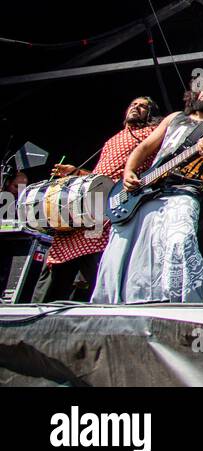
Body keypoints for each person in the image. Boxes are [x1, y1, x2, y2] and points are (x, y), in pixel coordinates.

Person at [92, 75, 203, 303]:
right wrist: (129, 172)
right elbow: (144, 148)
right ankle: (115, 301)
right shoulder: (175, 118)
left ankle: (178, 302)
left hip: (184, 192)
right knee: (125, 246)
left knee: (179, 241)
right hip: (146, 192)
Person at [33, 97, 158, 303]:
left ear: (151, 115)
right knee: (57, 267)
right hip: (85, 210)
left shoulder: (150, 135)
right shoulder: (113, 139)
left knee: (93, 272)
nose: (136, 107)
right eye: (133, 104)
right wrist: (76, 172)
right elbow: (101, 176)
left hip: (110, 212)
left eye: (143, 106)